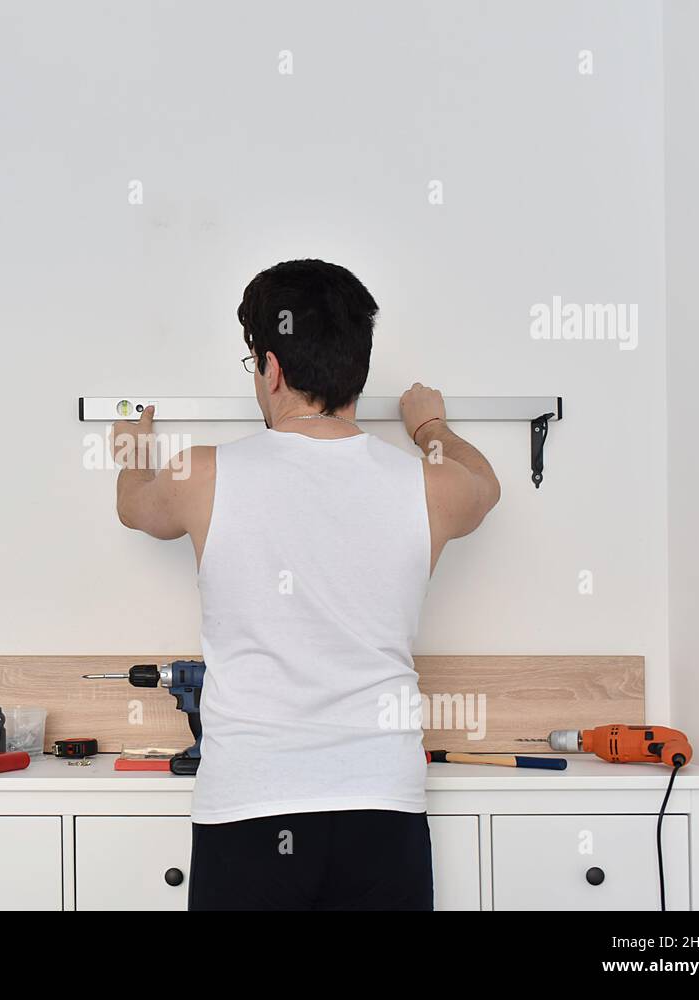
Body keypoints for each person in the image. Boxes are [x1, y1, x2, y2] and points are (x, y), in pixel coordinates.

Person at [109, 259, 501, 910]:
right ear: (358, 367)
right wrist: (429, 427)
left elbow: (134, 509)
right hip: (382, 807)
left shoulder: (200, 474)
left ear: (272, 368)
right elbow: (487, 486)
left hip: (250, 805)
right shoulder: (428, 484)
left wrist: (131, 454)